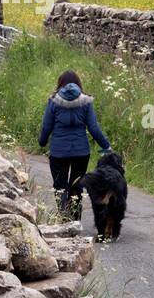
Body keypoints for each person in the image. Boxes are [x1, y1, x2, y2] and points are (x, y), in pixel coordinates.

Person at [38, 69, 111, 219]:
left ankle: (64, 219)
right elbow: (94, 128)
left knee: (60, 187)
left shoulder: (53, 101)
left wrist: (42, 141)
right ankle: (75, 220)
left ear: (60, 84)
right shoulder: (86, 101)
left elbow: (46, 126)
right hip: (81, 152)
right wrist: (106, 146)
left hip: (59, 152)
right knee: (76, 186)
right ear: (79, 83)